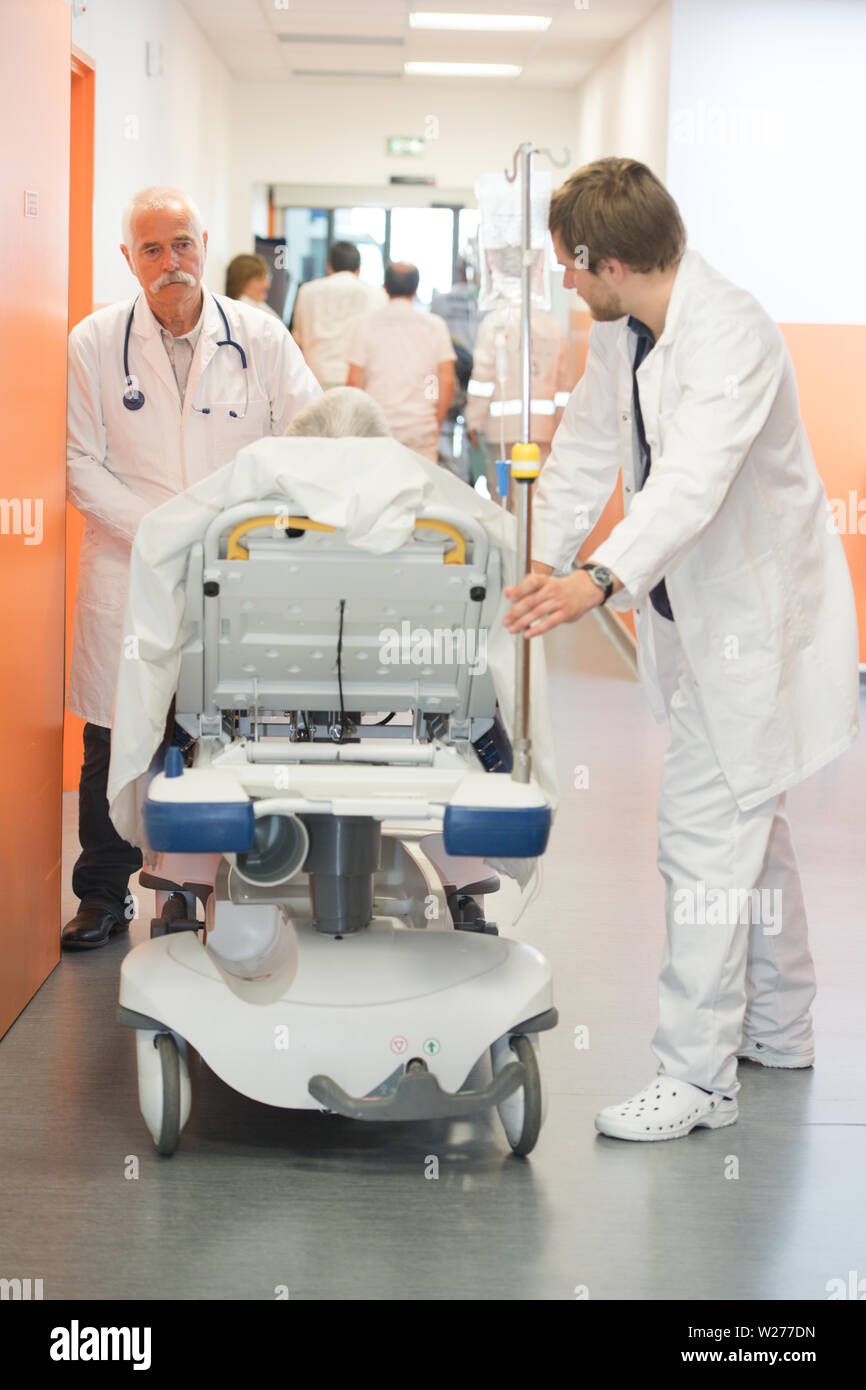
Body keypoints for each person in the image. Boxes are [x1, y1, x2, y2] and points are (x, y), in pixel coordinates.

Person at [504, 157, 859, 1141]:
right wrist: (535, 560)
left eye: (567, 267)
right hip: (693, 622)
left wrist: (596, 579)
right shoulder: (623, 330)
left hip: (754, 628)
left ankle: (694, 1078)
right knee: (757, 823)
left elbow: (688, 484)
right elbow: (582, 447)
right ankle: (781, 1029)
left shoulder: (731, 332)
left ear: (605, 261)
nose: (562, 284)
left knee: (701, 845)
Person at [63, 185, 321, 951]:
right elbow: (80, 462)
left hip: (235, 569)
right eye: (151, 249)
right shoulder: (94, 342)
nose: (170, 262)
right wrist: (165, 533)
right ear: (128, 259)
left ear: (204, 243)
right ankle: (104, 895)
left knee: (217, 729)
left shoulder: (261, 336)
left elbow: (302, 441)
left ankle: (199, 888)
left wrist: (234, 533)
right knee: (115, 737)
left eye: (182, 244)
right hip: (130, 566)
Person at [346, 262, 456, 463]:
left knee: (378, 489)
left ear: (385, 287)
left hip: (377, 426)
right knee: (421, 490)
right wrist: (435, 421)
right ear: (416, 289)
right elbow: (446, 381)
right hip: (420, 425)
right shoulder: (434, 326)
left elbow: (354, 381)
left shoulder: (366, 324)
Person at [465, 302, 571, 504]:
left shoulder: (494, 323)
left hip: (502, 433)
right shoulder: (551, 326)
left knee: (502, 500)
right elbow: (563, 383)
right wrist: (560, 425)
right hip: (541, 431)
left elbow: (482, 379)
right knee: (535, 503)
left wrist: (474, 421)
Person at [291, 241, 386, 389]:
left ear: (329, 266)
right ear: (359, 268)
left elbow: (298, 337)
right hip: (358, 377)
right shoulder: (377, 295)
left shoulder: (307, 291)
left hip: (317, 374)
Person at [225, 252, 283, 319]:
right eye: (260, 279)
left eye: (266, 278)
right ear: (241, 283)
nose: (267, 285)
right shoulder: (242, 312)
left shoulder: (258, 305)